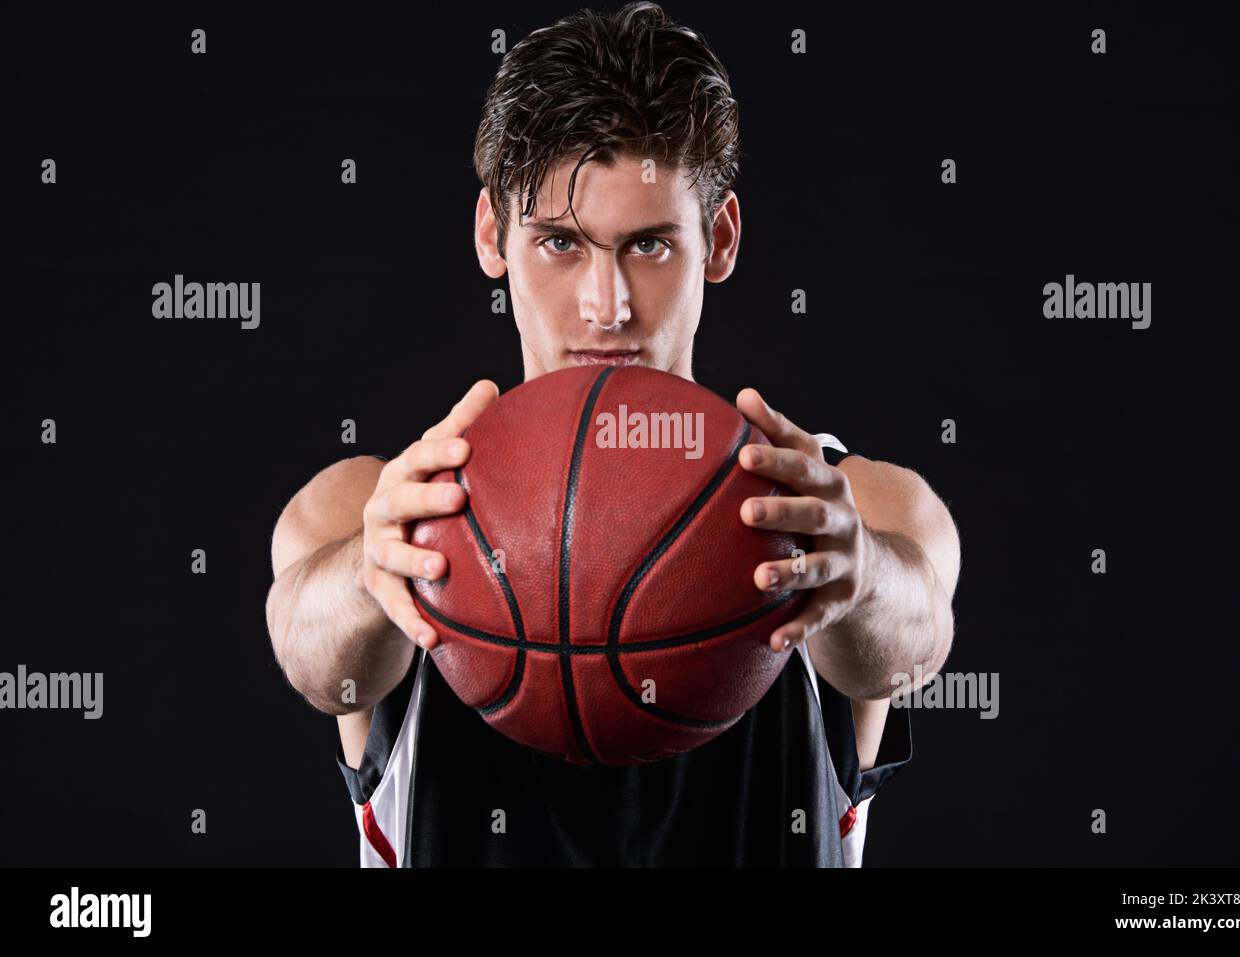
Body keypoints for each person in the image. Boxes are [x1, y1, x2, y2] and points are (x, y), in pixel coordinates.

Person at [265, 1, 960, 867]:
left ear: (720, 238)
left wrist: (860, 573)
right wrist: (374, 574)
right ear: (493, 236)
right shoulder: (385, 509)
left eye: (650, 246)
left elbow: (915, 636)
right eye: (559, 242)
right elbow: (308, 646)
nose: (607, 306)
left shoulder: (832, 508)